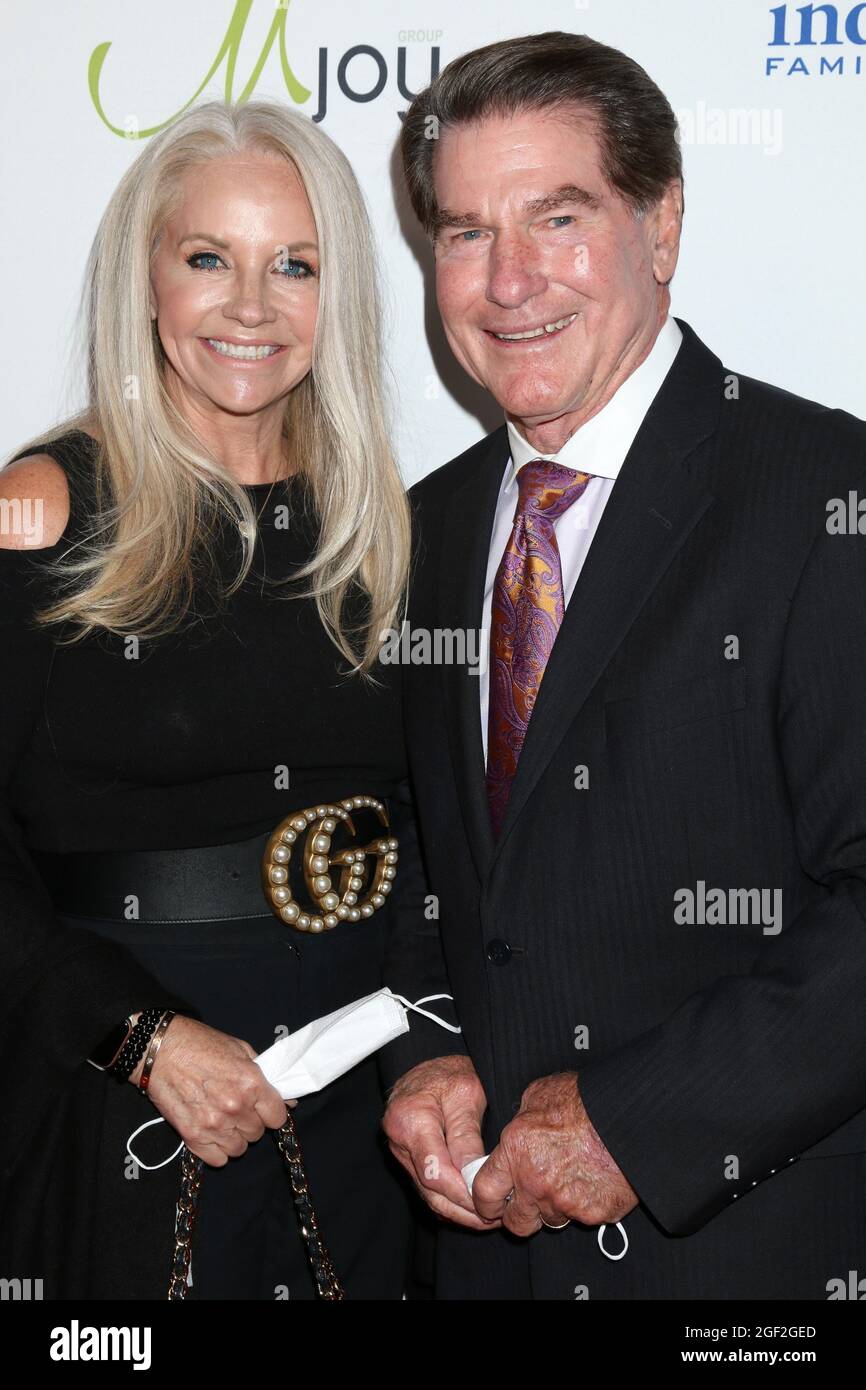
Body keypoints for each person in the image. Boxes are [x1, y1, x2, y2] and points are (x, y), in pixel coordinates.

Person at [380, 30, 866, 1300]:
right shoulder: (425, 530)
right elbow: (444, 878)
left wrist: (638, 1122)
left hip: (744, 1269)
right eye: (465, 232)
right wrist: (429, 1053)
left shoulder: (824, 497)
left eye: (558, 217)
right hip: (483, 1265)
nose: (509, 280)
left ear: (661, 226)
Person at [0, 98, 417, 1299]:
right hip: (123, 1098)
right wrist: (135, 1034)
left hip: (361, 1098)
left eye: (295, 263)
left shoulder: (387, 525)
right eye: (206, 259)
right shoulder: (49, 510)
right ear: (146, 281)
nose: (251, 304)